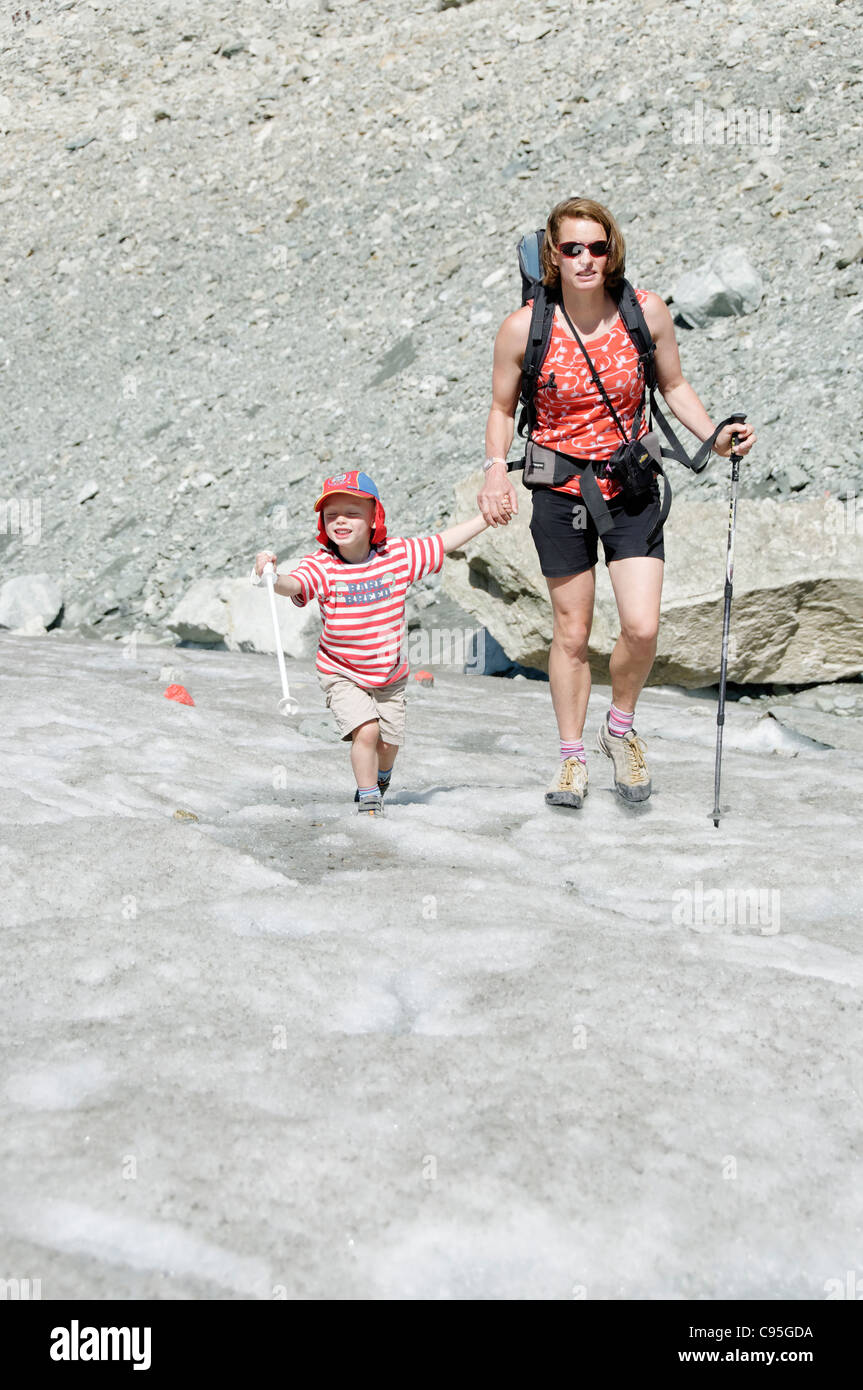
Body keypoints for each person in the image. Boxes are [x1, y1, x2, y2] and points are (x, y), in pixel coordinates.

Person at [479, 195, 756, 810]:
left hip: (631, 485)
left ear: (612, 250)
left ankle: (620, 728)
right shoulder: (525, 327)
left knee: (641, 624)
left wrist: (713, 435)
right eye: (571, 248)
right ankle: (572, 757)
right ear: (553, 254)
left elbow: (673, 384)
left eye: (597, 247)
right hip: (559, 491)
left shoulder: (644, 312)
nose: (585, 259)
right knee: (572, 632)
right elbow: (501, 410)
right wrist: (496, 470)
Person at [254, 470, 487, 815]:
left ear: (374, 516)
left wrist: (486, 518)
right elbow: (294, 584)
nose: (340, 521)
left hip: (389, 674)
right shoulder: (323, 565)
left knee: (389, 742)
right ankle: (368, 800)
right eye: (331, 515)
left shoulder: (397, 556)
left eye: (352, 513)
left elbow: (443, 542)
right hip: (341, 671)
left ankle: (381, 777)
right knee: (366, 731)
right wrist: (269, 575)